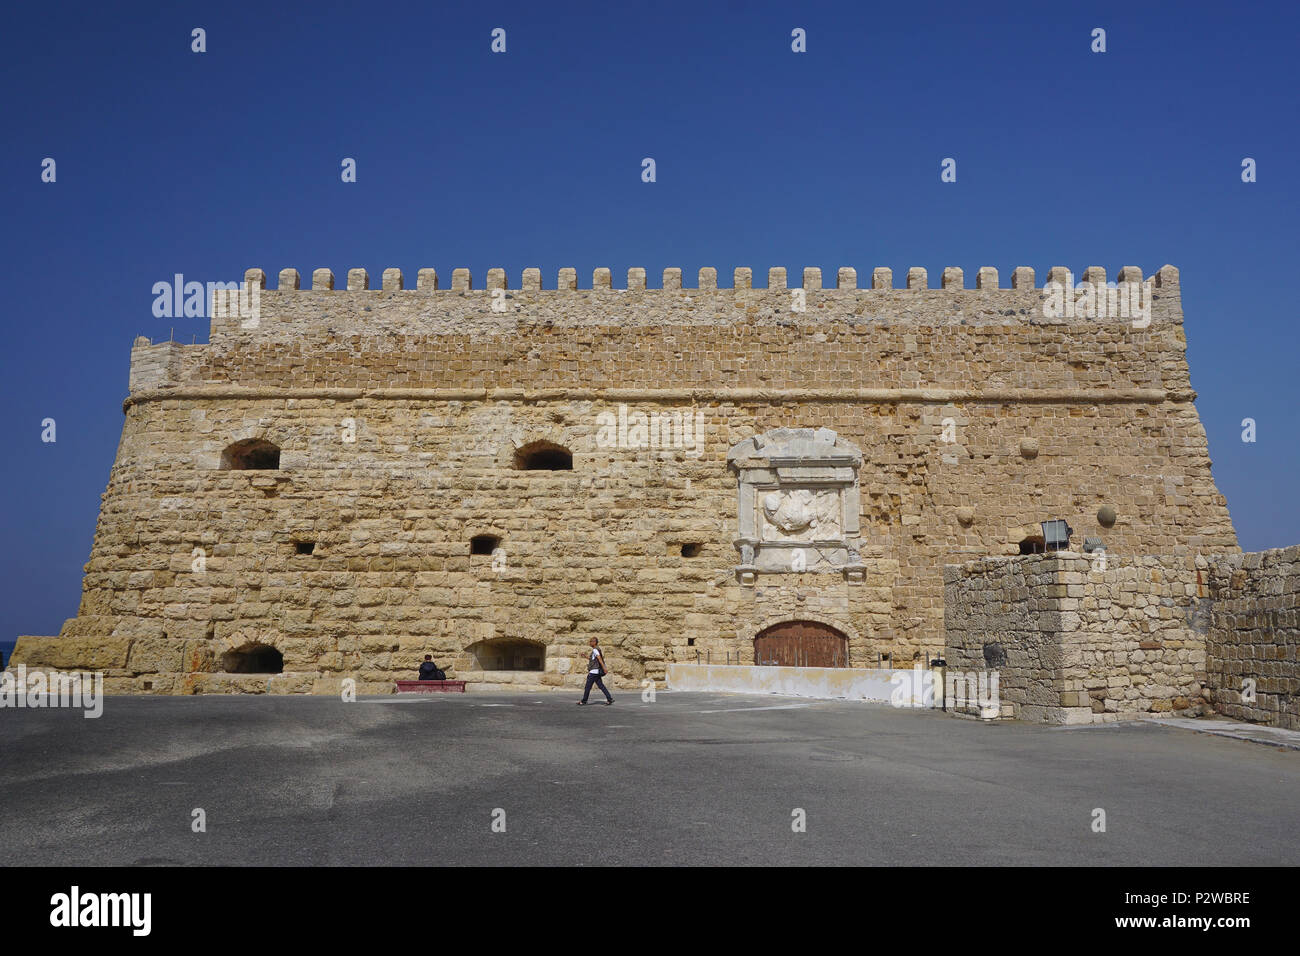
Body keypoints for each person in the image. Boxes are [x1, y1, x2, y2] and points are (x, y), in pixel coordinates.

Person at [577, 637, 613, 705]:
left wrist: (604, 668)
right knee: (601, 686)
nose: (590, 643)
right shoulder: (596, 650)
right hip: (596, 672)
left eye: (591, 641)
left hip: (593, 672)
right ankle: (609, 699)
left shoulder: (595, 650)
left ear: (594, 642)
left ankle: (584, 701)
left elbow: (599, 659)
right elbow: (592, 659)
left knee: (587, 687)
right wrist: (585, 656)